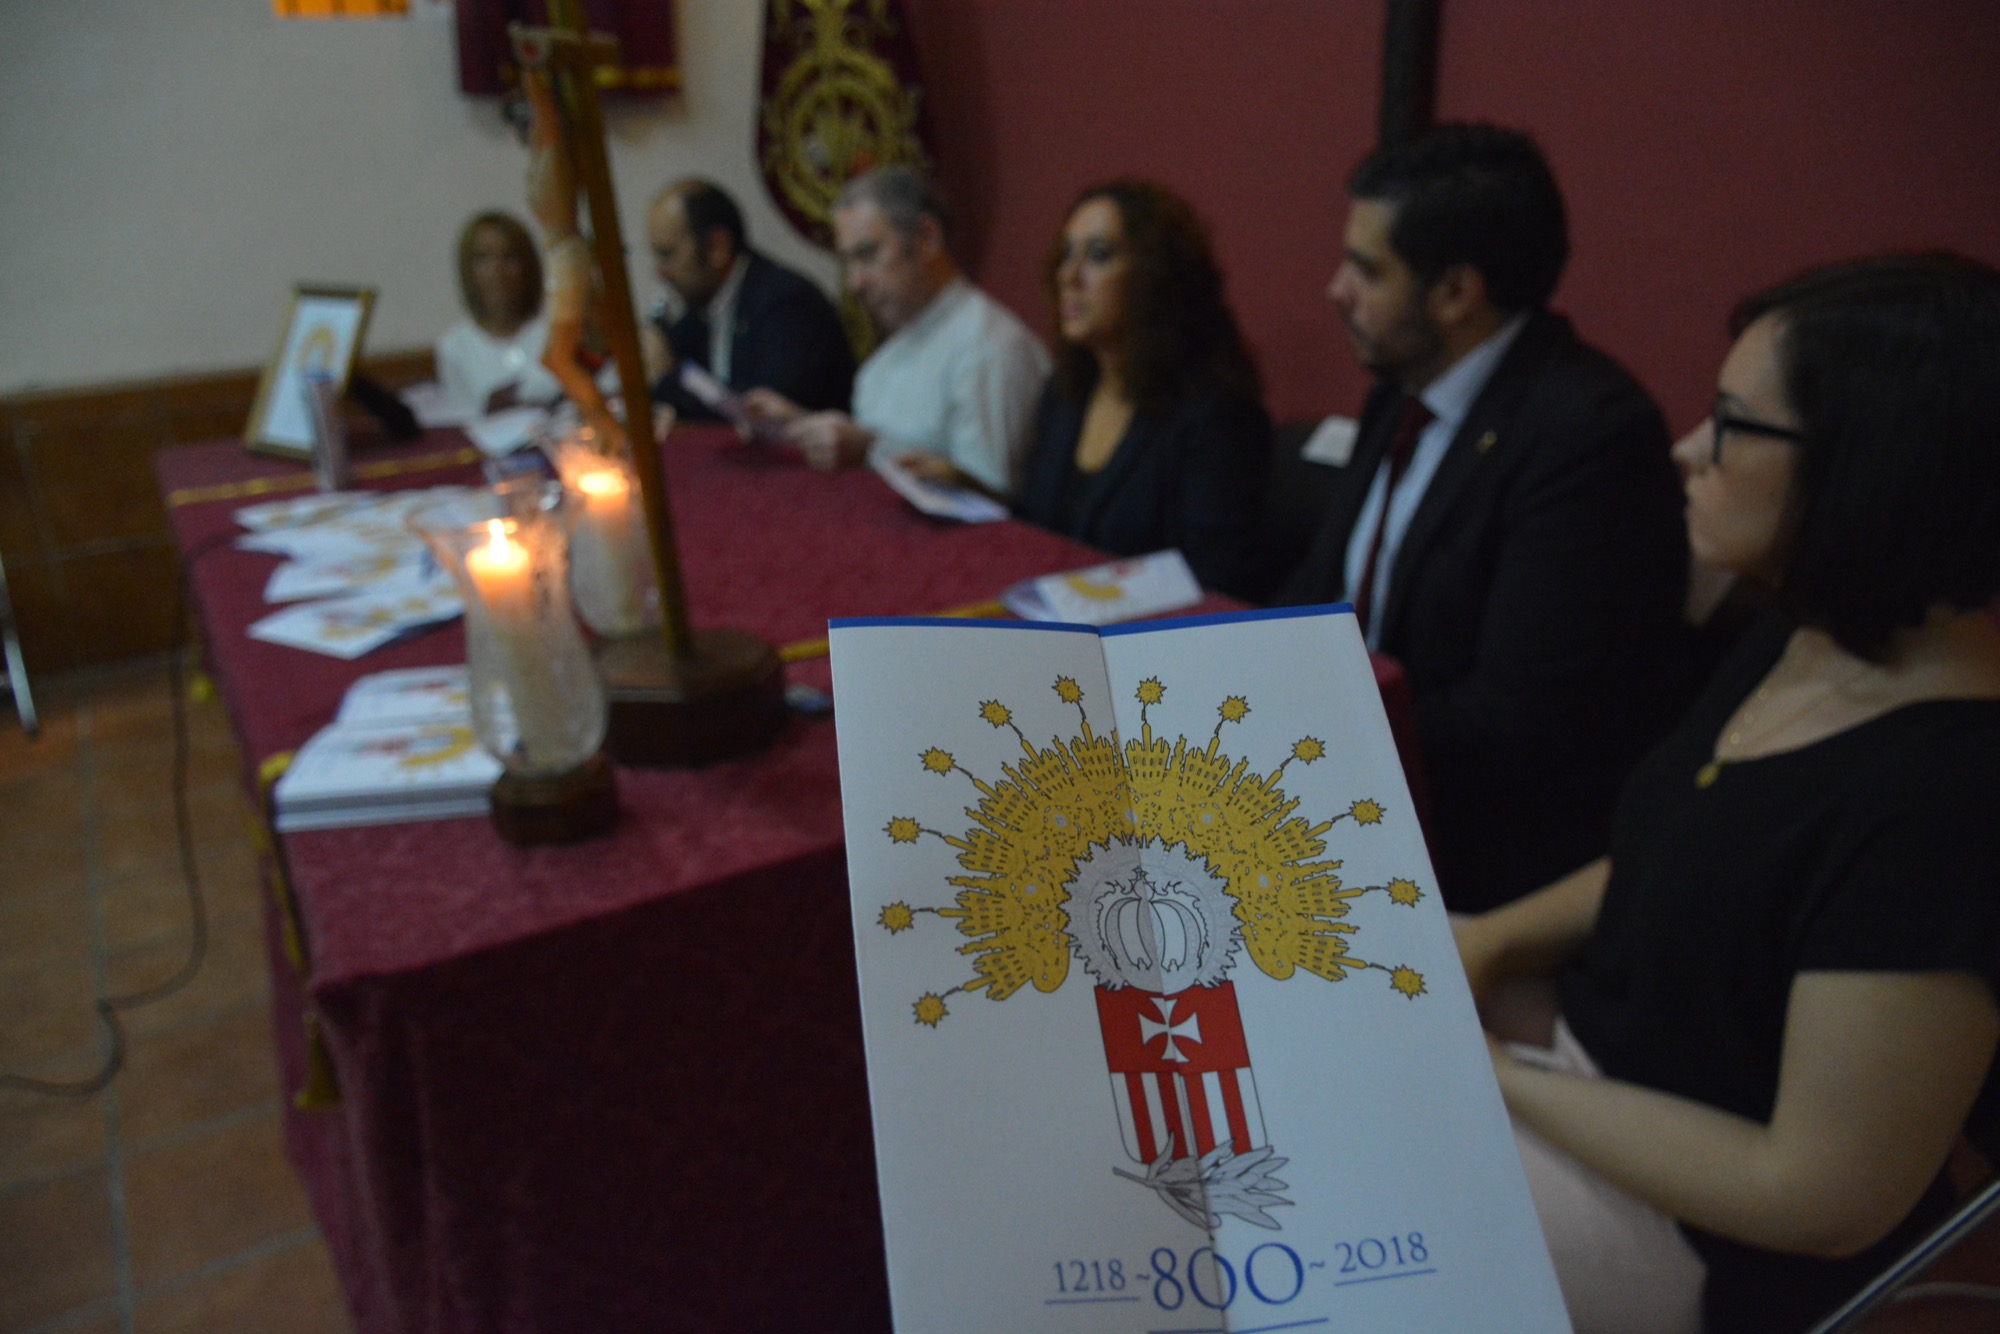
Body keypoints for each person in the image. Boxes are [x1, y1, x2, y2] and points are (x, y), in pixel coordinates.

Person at [1456, 254, 2000, 1333]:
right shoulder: (1806, 634)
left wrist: (1488, 1077)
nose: (1686, 451)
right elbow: (1679, 853)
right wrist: (1480, 942)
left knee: (1281, 1182)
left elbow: (1813, 1194)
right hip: (1600, 1068)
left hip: (1699, 1232)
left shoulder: (1948, 793)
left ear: (1868, 468)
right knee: (1292, 976)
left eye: (1730, 425)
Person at [1276, 123, 1690, 912]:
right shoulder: (1401, 387)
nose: (1337, 290)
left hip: (1474, 854)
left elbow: (1517, 723)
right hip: (1352, 783)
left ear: (1457, 292)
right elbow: (1321, 583)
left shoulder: (1589, 437)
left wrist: (1306, 741)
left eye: (1367, 269)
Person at [1014, 181, 1272, 599]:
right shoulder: (1065, 392)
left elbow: (1217, 583)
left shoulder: (1216, 415)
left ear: (1155, 275)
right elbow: (1037, 529)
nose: (1069, 276)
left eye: (1098, 255)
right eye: (1066, 254)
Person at [745, 166, 1050, 497]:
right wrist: (798, 425)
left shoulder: (990, 348)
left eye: (868, 255)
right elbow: (871, 447)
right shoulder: (882, 363)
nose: (854, 283)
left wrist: (869, 451)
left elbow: (991, 504)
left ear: (927, 239)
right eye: (847, 262)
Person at [641, 178, 855, 422]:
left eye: (668, 255)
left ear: (717, 247)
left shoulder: (787, 304)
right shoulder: (704, 307)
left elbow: (758, 415)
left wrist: (663, 379)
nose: (660, 272)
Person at [436, 211, 563, 415]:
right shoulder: (454, 348)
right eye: (482, 258)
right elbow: (464, 419)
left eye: (509, 257)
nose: (497, 271)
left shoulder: (558, 328)